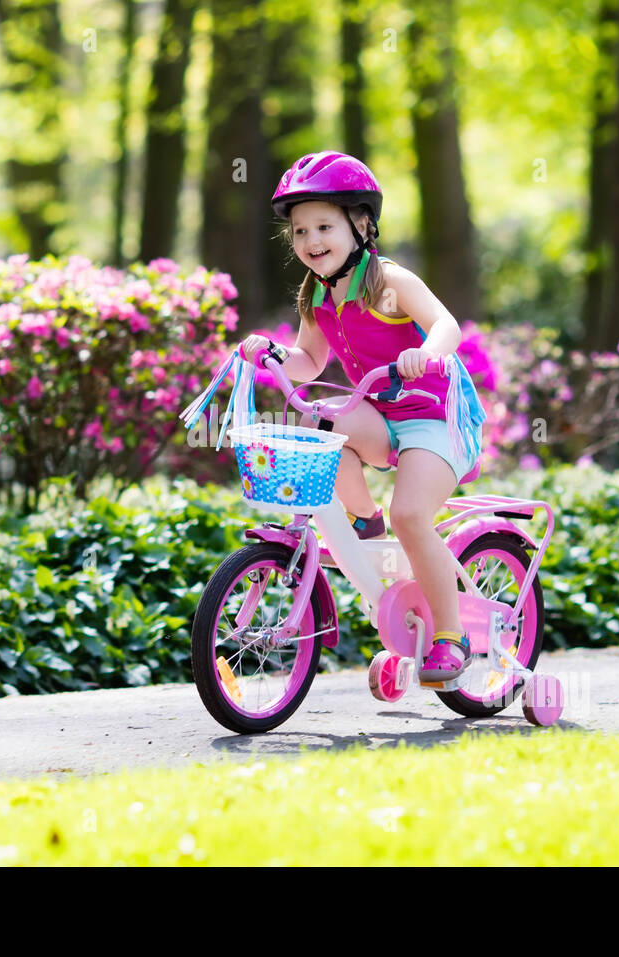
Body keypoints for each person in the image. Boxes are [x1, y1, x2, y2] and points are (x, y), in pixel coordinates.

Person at [237, 150, 483, 685]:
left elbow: (447, 324)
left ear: (361, 224)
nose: (310, 240)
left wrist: (428, 354)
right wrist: (274, 356)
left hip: (435, 417)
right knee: (318, 424)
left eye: (324, 226)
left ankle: (451, 635)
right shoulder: (317, 294)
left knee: (413, 517)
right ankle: (363, 517)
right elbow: (310, 362)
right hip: (380, 411)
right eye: (300, 231)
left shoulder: (388, 281)